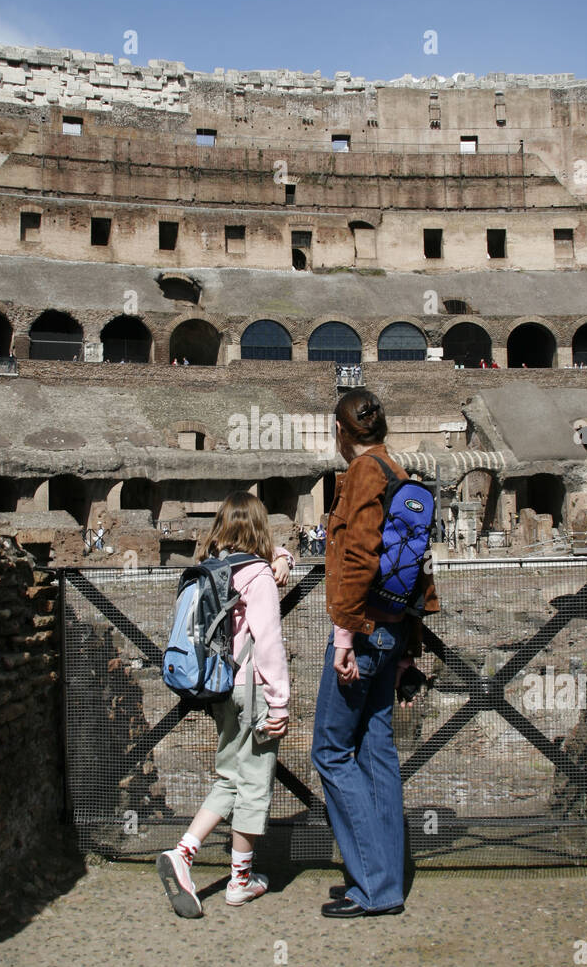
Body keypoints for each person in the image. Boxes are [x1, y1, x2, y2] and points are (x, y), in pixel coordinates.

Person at [311, 388, 439, 918]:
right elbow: (418, 567)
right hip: (390, 635)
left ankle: (373, 886)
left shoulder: (363, 475)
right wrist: (408, 647)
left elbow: (358, 556)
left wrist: (343, 636)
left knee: (331, 752)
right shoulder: (399, 473)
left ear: (341, 433)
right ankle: (388, 876)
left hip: (362, 636)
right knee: (377, 749)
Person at [156, 493, 293, 918]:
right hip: (250, 690)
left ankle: (183, 853)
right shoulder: (258, 577)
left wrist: (284, 555)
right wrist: (280, 704)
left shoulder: (213, 568)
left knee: (231, 776)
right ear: (259, 529)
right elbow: (268, 643)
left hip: (218, 688)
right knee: (254, 782)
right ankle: (239, 882)